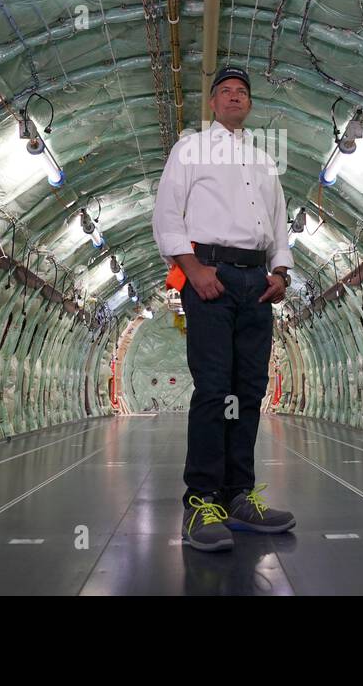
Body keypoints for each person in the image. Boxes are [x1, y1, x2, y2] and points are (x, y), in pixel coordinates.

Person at [152, 66, 297, 551]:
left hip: (256, 283)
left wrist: (280, 273)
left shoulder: (263, 161)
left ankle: (239, 496)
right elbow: (167, 214)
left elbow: (278, 223)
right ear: (212, 103)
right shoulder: (189, 150)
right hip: (210, 276)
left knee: (248, 390)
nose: (235, 97)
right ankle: (201, 503)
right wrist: (193, 269)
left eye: (242, 92)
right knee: (215, 389)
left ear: (248, 104)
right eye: (226, 91)